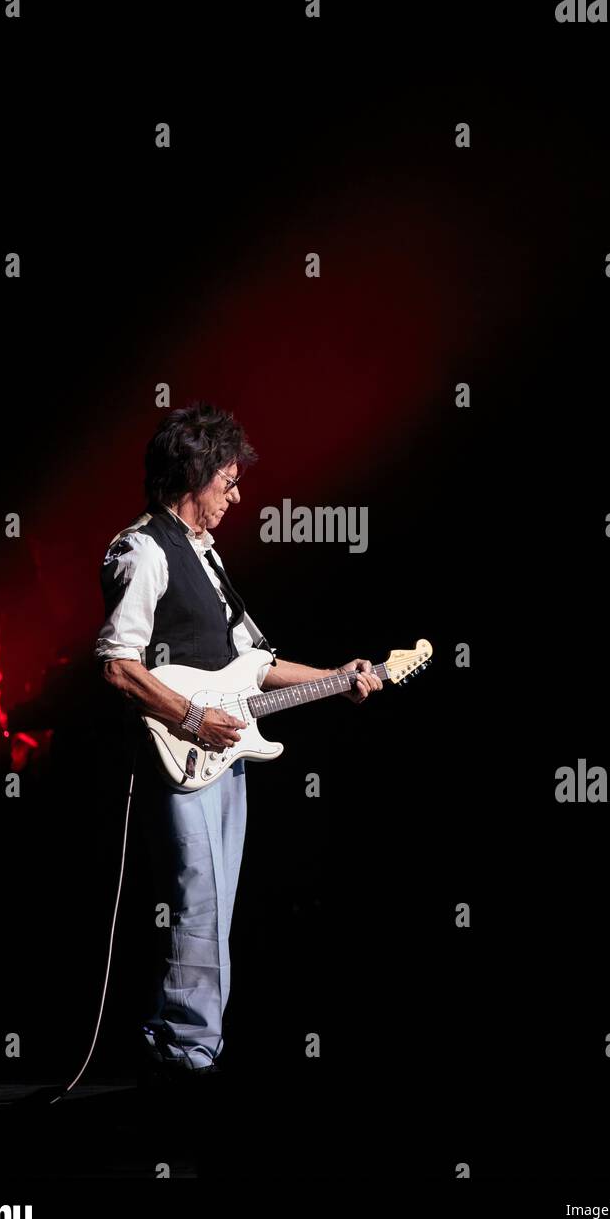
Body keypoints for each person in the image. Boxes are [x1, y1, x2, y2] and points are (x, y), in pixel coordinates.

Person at [94, 401, 382, 1080]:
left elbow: (257, 660)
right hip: (182, 753)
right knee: (197, 894)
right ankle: (182, 1051)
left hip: (224, 754)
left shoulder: (208, 556)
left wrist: (339, 677)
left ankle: (200, 1044)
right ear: (191, 476)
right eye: (226, 480)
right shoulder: (140, 550)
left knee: (217, 899)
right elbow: (117, 663)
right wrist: (192, 718)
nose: (237, 494)